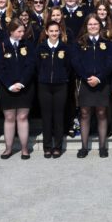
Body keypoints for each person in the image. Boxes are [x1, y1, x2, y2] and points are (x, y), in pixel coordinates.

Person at [69, 14, 112, 158]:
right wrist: (87, 77)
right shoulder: (79, 43)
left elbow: (110, 63)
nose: (93, 27)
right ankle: (84, 147)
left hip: (102, 83)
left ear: (100, 26)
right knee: (84, 113)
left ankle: (102, 147)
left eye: (95, 24)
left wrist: (99, 78)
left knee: (101, 113)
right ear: (86, 26)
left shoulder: (107, 43)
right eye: (90, 24)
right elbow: (75, 62)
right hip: (85, 82)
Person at [0, 20, 35, 159]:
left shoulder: (28, 45)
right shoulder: (2, 46)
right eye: (19, 31)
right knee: (10, 118)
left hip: (25, 88)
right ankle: (8, 149)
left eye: (23, 31)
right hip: (7, 88)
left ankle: (24, 149)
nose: (22, 34)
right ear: (11, 31)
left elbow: (31, 66)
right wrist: (10, 85)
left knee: (22, 117)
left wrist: (22, 83)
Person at [34, 20, 71, 158]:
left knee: (58, 116)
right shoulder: (41, 48)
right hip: (44, 86)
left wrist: (61, 77)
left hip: (61, 85)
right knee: (46, 117)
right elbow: (37, 67)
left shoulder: (65, 48)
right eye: (51, 31)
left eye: (56, 31)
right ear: (46, 32)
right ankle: (47, 146)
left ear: (60, 32)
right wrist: (44, 77)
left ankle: (57, 147)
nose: (54, 33)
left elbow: (68, 67)